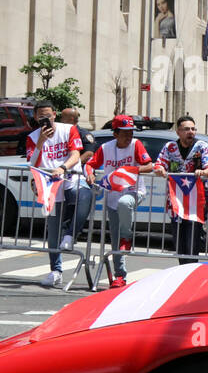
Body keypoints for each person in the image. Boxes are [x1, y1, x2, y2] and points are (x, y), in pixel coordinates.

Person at [85, 115, 155, 288]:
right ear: (115, 134)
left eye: (130, 132)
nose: (129, 135)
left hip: (134, 191)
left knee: (125, 204)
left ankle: (127, 236)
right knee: (115, 240)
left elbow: (150, 165)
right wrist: (90, 173)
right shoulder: (105, 147)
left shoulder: (136, 144)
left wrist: (131, 170)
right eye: (124, 132)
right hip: (112, 195)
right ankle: (120, 276)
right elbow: (90, 164)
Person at [25, 101, 85, 288]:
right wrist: (41, 143)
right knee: (52, 228)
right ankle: (56, 270)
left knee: (81, 194)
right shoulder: (33, 137)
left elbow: (75, 154)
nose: (46, 119)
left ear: (54, 115)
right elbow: (32, 164)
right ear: (35, 117)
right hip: (49, 185)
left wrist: (62, 167)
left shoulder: (68, 129)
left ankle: (70, 234)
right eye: (42, 116)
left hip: (70, 177)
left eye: (49, 116)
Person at [154, 115, 208, 264]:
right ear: (178, 132)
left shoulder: (201, 146)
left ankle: (191, 269)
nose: (191, 132)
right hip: (176, 199)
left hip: (196, 199)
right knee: (179, 238)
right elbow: (158, 164)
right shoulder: (170, 148)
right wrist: (160, 169)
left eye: (193, 129)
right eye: (186, 129)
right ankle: (182, 268)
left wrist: (203, 172)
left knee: (193, 236)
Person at [57, 107, 95, 255]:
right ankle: (64, 234)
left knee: (80, 202)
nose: (61, 120)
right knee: (64, 209)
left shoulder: (84, 134)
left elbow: (89, 153)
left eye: (63, 117)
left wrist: (71, 164)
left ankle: (71, 234)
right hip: (62, 175)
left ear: (71, 119)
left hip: (80, 175)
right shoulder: (61, 132)